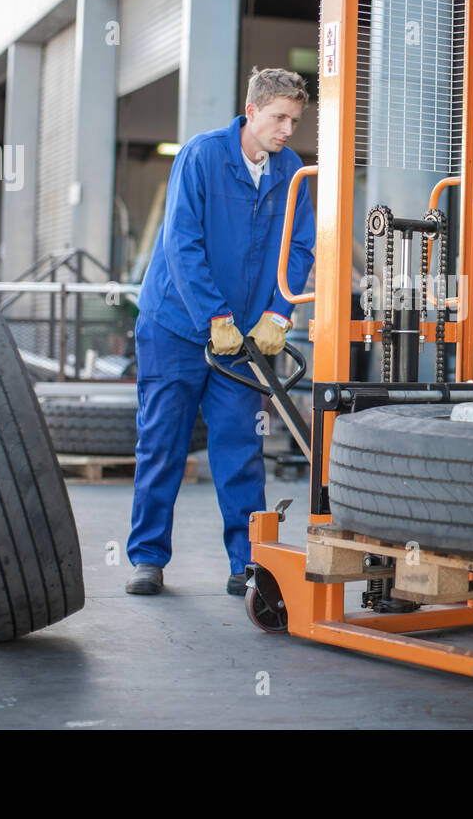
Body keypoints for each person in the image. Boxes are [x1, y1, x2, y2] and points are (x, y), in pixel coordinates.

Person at [126, 68, 316, 597]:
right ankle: (147, 557)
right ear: (251, 111)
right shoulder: (202, 156)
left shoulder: (291, 170)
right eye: (279, 117)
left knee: (240, 446)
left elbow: (299, 247)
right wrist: (215, 316)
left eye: (294, 121)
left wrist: (280, 314)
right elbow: (181, 243)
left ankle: (248, 563)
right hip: (176, 327)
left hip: (246, 338)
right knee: (163, 443)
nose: (286, 130)